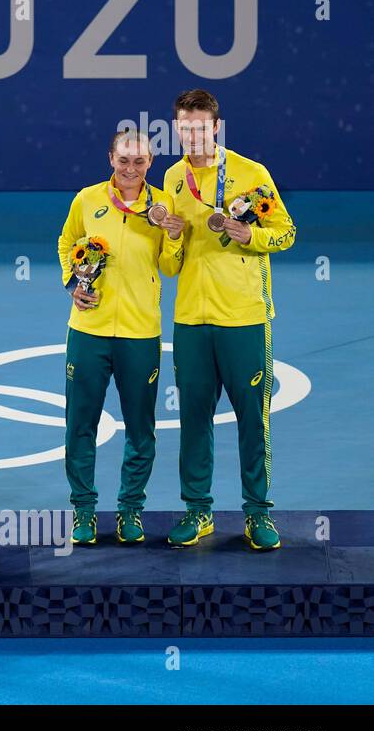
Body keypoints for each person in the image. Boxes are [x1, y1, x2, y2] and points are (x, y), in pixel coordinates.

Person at [162, 89, 297, 550]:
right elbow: (170, 264)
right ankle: (197, 511)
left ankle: (258, 514)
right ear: (177, 128)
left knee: (251, 420)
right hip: (191, 320)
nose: (194, 135)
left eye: (202, 127)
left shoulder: (250, 173)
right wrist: (174, 238)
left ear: (215, 127)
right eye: (185, 127)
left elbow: (287, 233)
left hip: (244, 316)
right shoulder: (173, 177)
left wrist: (250, 234)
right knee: (194, 418)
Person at [57, 130, 186, 545]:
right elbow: (66, 243)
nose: (130, 169)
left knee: (140, 427)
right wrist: (71, 282)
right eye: (123, 160)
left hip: (140, 332)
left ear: (151, 163)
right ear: (110, 157)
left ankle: (131, 509)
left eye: (140, 162)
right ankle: (84, 510)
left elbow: (170, 266)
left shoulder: (163, 205)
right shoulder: (87, 199)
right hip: (88, 331)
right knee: (80, 424)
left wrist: (173, 233)